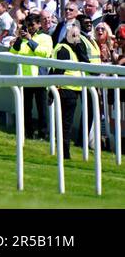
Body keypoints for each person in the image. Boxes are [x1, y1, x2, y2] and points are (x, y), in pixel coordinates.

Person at [11, 13, 54, 139]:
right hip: (24, 78)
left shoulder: (45, 37)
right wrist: (19, 38)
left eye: (32, 25)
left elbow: (44, 53)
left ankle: (43, 133)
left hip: (39, 78)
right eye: (27, 25)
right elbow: (13, 52)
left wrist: (30, 40)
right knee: (26, 108)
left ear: (39, 24)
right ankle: (28, 132)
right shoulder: (23, 38)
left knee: (42, 109)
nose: (29, 28)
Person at [52, 21, 89, 159]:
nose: (76, 38)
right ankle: (64, 153)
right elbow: (58, 71)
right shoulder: (63, 48)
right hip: (65, 90)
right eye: (73, 35)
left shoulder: (72, 48)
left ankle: (64, 152)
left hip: (72, 90)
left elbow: (85, 60)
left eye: (77, 35)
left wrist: (78, 43)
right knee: (65, 124)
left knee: (65, 124)